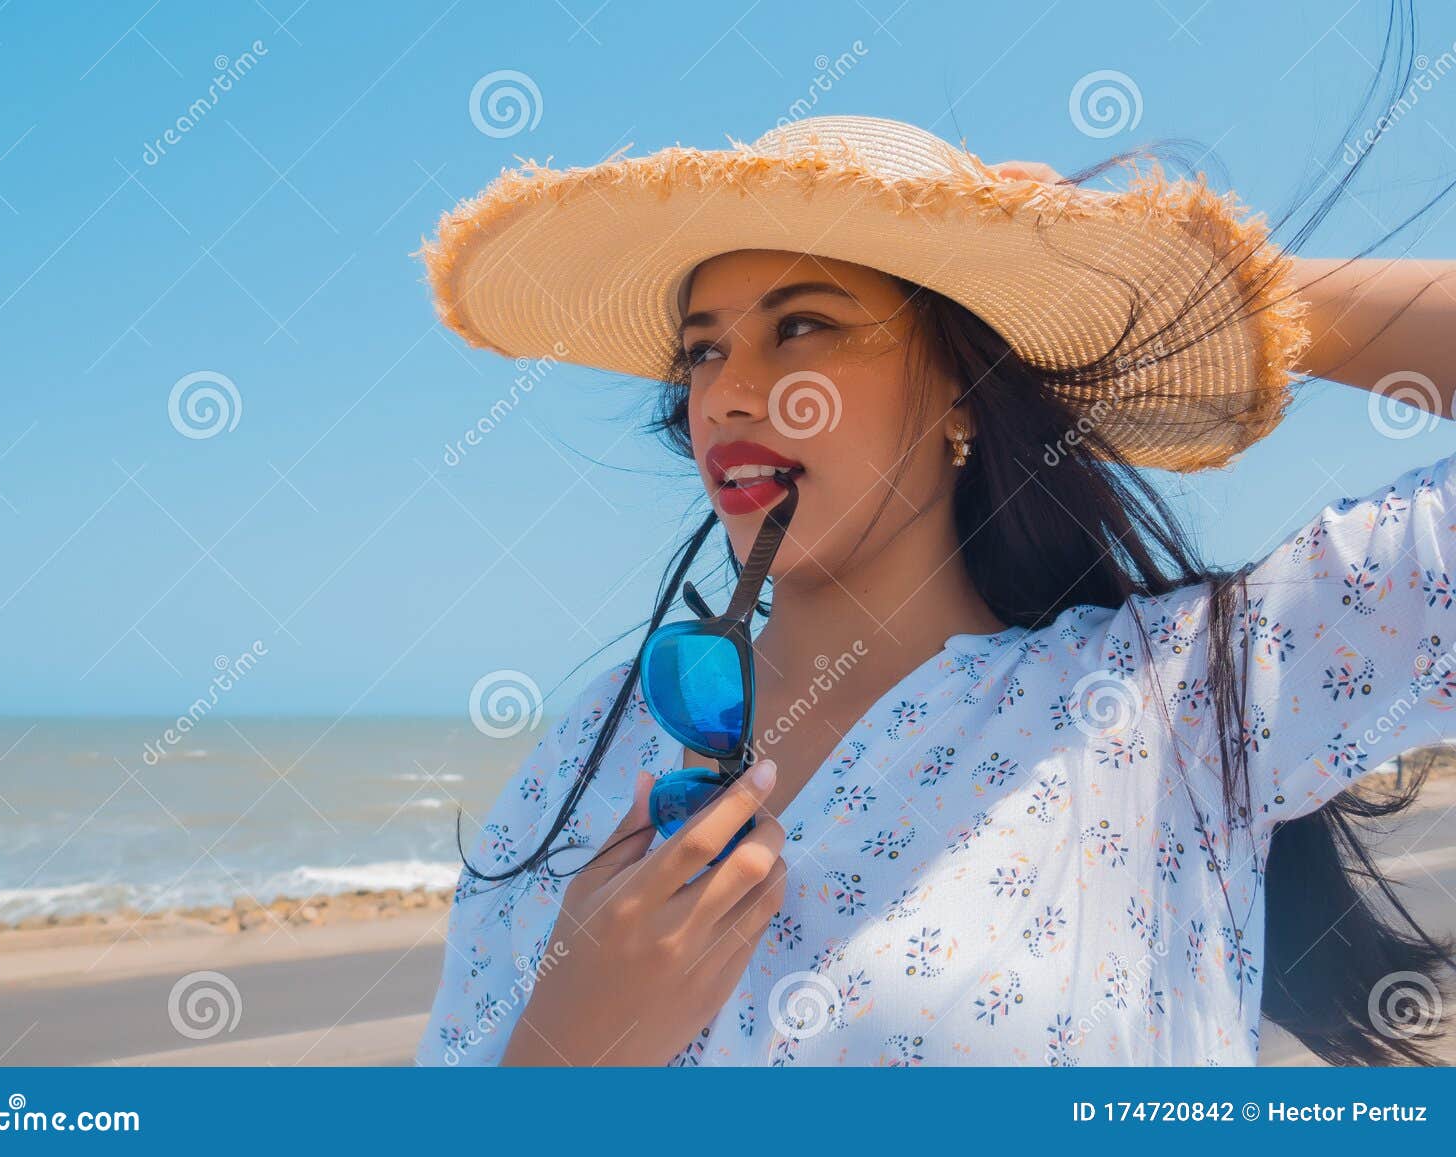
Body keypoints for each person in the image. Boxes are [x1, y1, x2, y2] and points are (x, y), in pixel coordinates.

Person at [414, 110, 1456, 1066]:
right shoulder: (594, 749)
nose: (725, 393)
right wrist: (564, 1050)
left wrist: (1206, 290)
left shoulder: (1171, 697)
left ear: (962, 385)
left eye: (802, 326)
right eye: (702, 350)